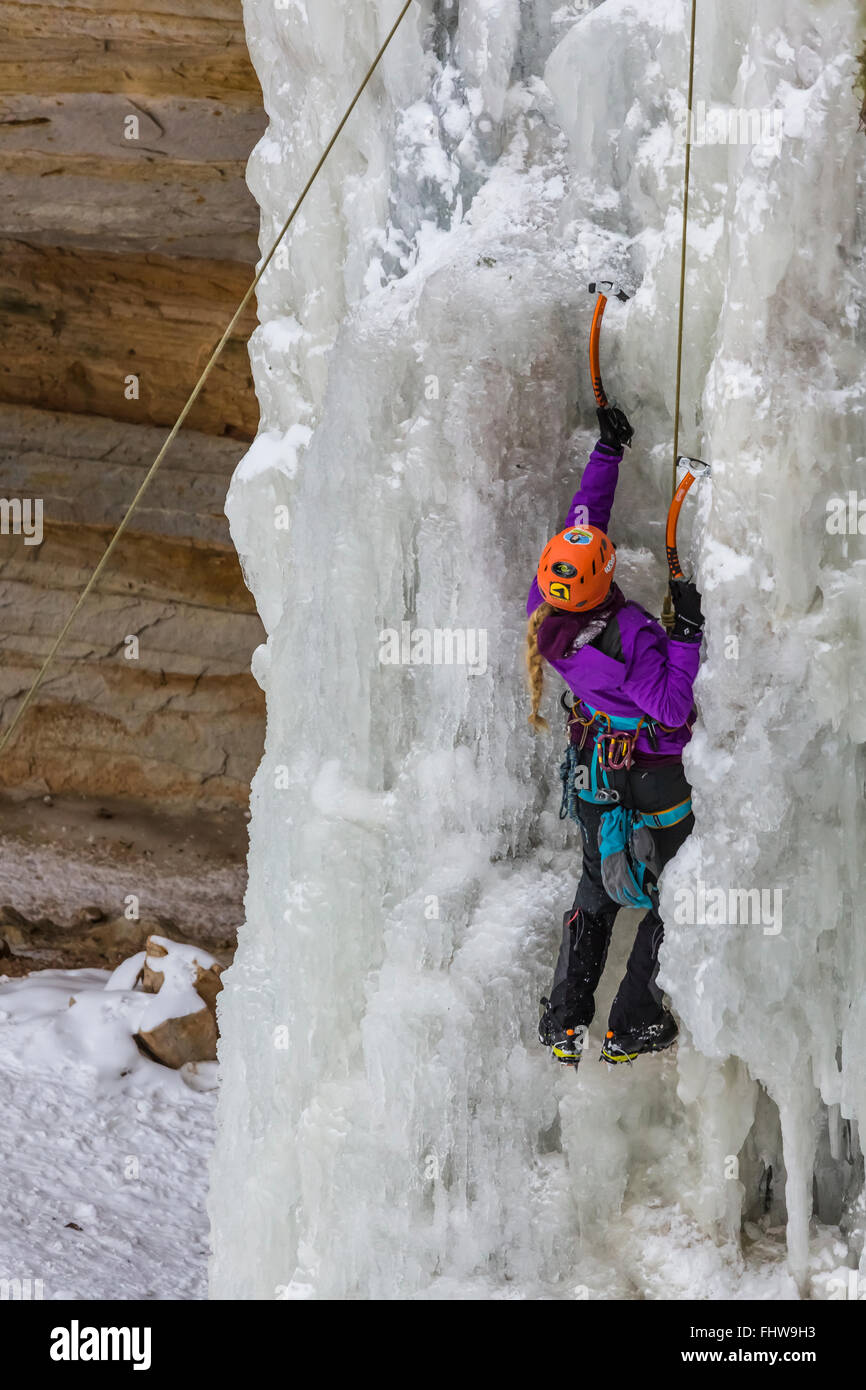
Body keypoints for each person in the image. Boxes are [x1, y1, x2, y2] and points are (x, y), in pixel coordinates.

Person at [526, 405, 704, 1066]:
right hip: (655, 771)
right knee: (677, 890)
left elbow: (583, 524)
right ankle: (632, 1022)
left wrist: (608, 454)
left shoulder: (545, 613)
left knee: (596, 887)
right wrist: (685, 634)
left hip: (599, 765)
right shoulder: (629, 633)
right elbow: (672, 707)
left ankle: (565, 1022)